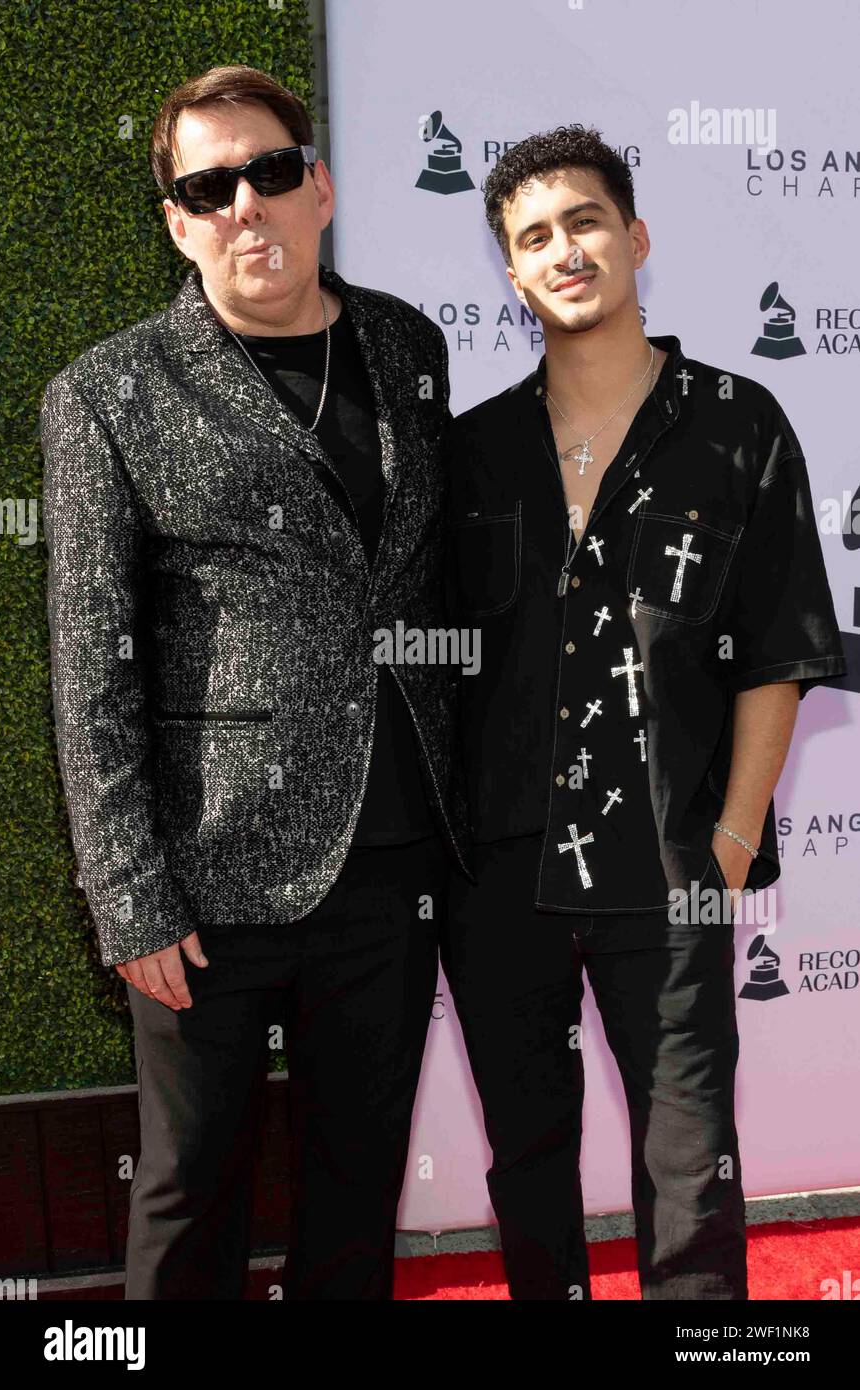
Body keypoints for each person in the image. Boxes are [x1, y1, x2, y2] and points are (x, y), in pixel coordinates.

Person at [40, 64, 470, 1300]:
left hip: (394, 866)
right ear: (176, 220)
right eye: (208, 185)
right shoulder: (110, 393)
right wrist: (128, 894)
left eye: (270, 172)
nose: (246, 204)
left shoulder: (405, 344)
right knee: (188, 1198)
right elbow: (89, 662)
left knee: (357, 1185)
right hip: (206, 882)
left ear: (318, 188)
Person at [441, 123, 847, 1300]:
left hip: (671, 858)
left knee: (688, 1164)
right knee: (525, 1153)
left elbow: (775, 653)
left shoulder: (736, 422)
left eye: (582, 222)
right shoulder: (470, 454)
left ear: (634, 237)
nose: (562, 250)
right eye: (532, 237)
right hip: (498, 869)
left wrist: (726, 839)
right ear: (509, 275)